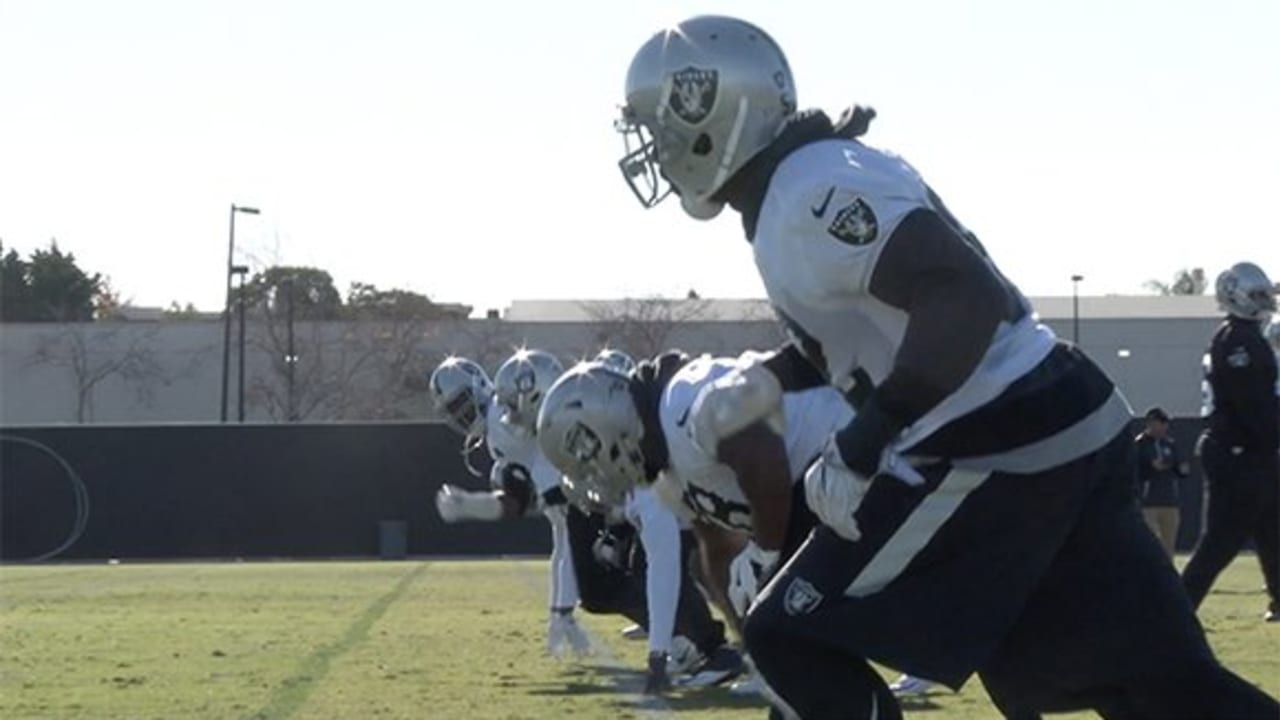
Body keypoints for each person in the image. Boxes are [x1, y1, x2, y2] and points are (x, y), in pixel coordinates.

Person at [612, 15, 1280, 719]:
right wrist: (772, 379)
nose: (655, 149)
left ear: (710, 115)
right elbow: (889, 327)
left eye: (659, 127)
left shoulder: (805, 194)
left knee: (785, 631)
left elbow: (962, 298)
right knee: (1157, 686)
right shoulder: (809, 180)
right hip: (1062, 420)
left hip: (997, 441)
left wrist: (864, 439)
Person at [536, 351, 853, 701]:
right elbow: (716, 550)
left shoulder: (682, 401)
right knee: (760, 619)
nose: (597, 474)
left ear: (606, 420)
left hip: (853, 461)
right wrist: (747, 630)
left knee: (805, 629)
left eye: (589, 458)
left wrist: (764, 556)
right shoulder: (665, 474)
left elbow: (763, 459)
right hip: (819, 494)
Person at [429, 351, 590, 658]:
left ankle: (565, 614)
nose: (459, 415)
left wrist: (469, 505)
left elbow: (541, 439)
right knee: (563, 545)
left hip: (573, 477)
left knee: (575, 547)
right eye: (452, 410)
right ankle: (562, 616)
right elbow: (516, 500)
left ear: (479, 386)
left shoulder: (502, 416)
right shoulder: (494, 432)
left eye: (460, 404)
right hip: (560, 482)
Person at [1181, 262, 1280, 623]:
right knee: (1222, 539)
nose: (1265, 301)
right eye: (1257, 295)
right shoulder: (1239, 341)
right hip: (1238, 450)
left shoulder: (1245, 336)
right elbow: (1252, 405)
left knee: (1273, 531)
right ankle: (1177, 609)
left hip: (1250, 450)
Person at [1132, 407, 1189, 557]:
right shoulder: (1139, 444)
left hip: (1169, 501)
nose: (1164, 427)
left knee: (1168, 545)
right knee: (1148, 543)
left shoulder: (1169, 443)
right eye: (1160, 423)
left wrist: (1182, 469)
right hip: (1148, 503)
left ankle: (1168, 577)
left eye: (1165, 423)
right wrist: (1150, 467)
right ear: (1150, 423)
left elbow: (1179, 467)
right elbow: (1133, 471)